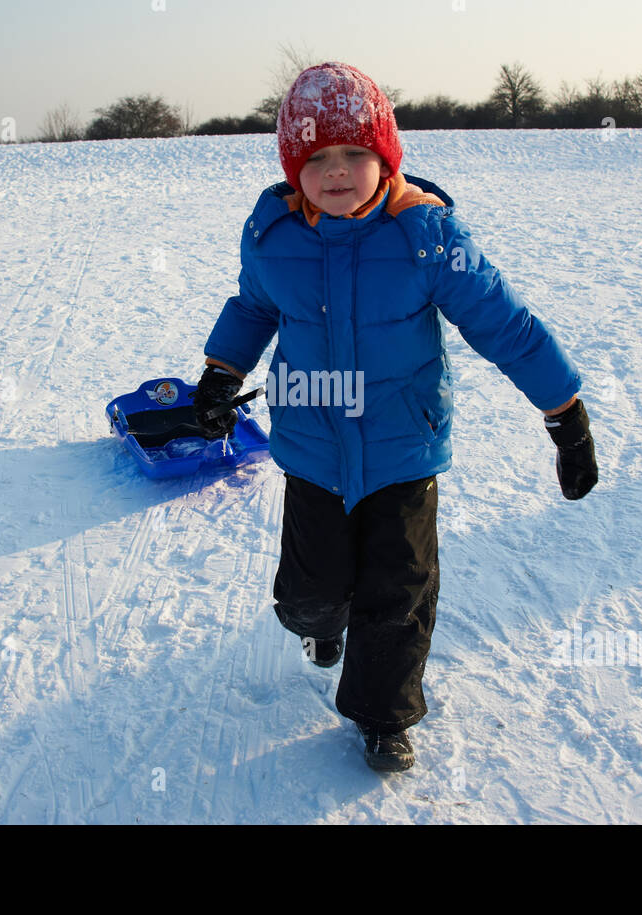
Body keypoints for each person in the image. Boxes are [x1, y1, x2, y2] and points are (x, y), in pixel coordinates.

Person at [193, 62, 598, 772]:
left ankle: (384, 712)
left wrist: (564, 411)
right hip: (314, 448)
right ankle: (320, 625)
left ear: (386, 154)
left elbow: (503, 324)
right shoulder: (274, 235)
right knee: (311, 592)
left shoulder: (425, 236)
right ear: (294, 169)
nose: (338, 172)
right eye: (316, 157)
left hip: (404, 448)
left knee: (398, 591)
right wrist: (222, 373)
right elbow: (254, 307)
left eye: (354, 153)